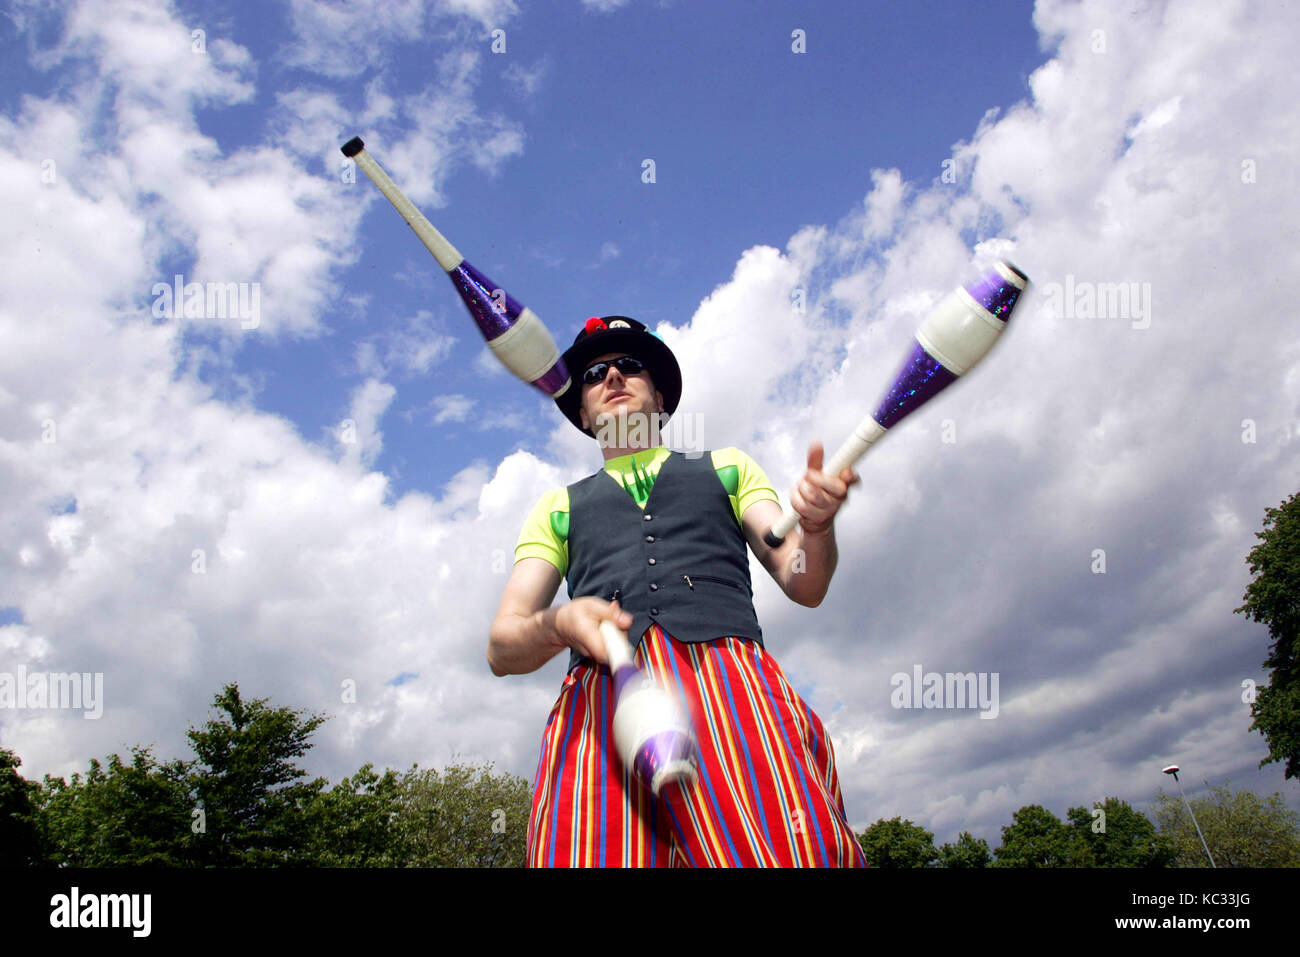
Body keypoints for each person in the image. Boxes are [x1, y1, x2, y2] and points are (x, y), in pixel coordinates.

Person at [488, 315, 868, 867]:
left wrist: (816, 526)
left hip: (734, 694)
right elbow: (502, 647)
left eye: (630, 365)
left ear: (660, 395)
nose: (613, 375)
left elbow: (804, 582)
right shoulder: (556, 507)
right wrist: (558, 623)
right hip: (602, 704)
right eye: (595, 372)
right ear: (583, 412)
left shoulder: (729, 467)